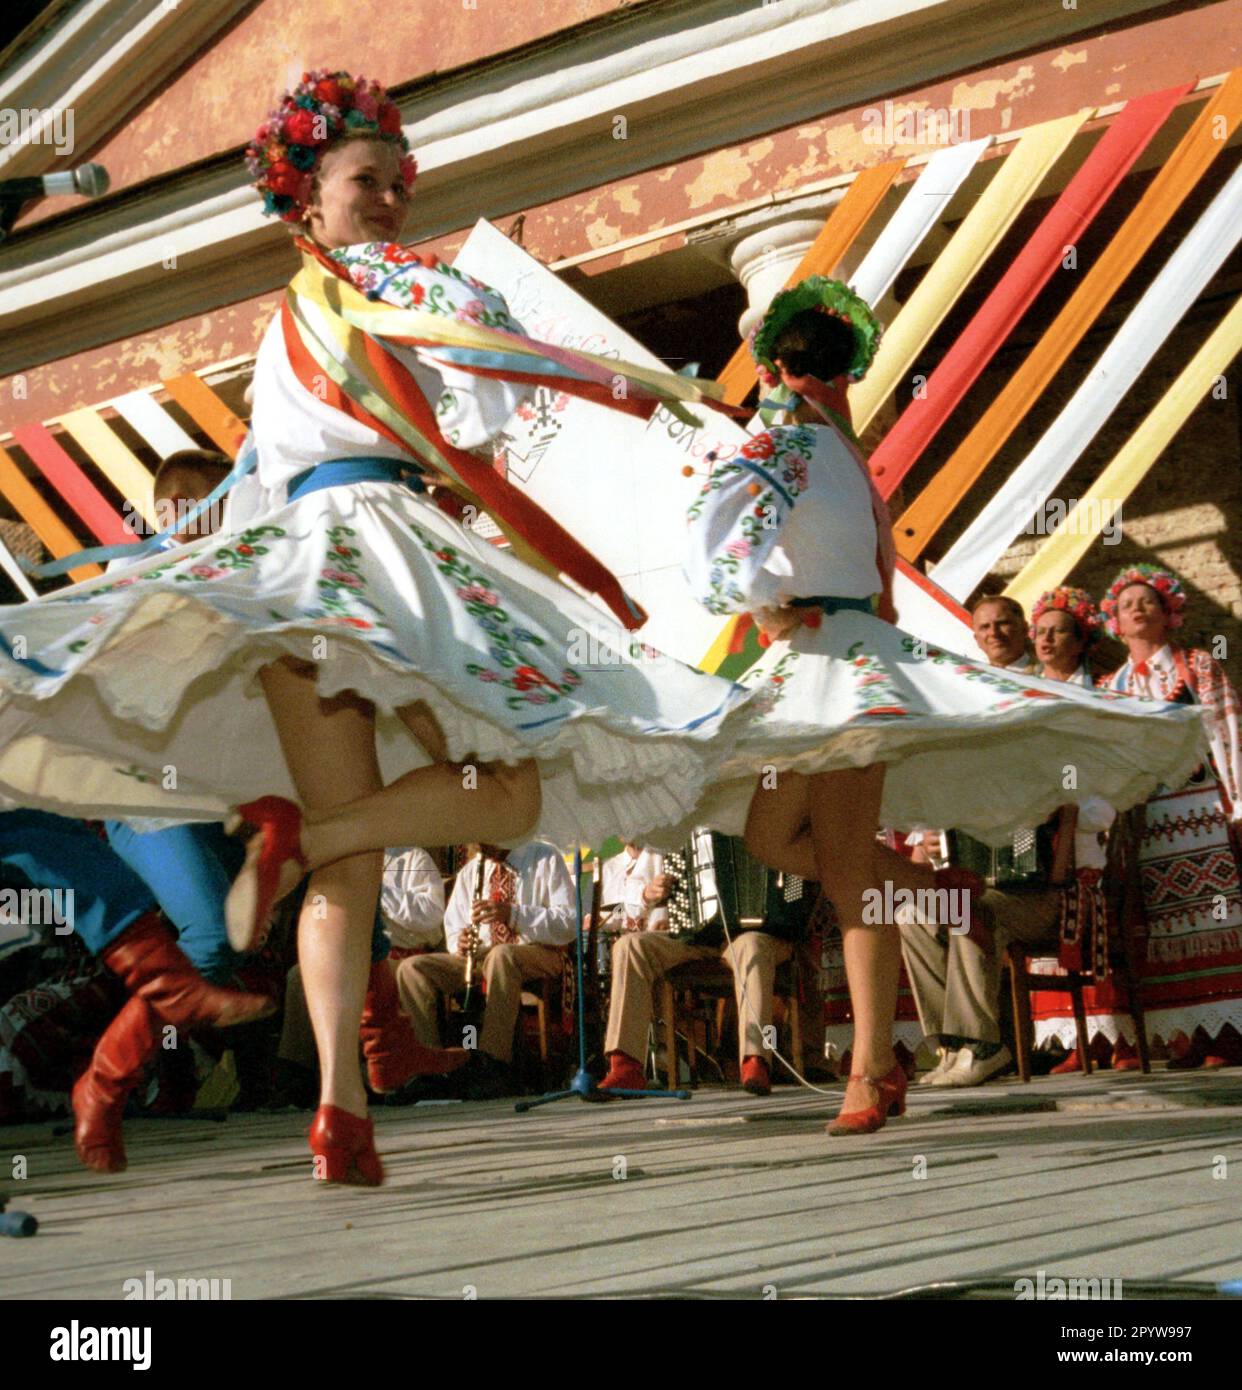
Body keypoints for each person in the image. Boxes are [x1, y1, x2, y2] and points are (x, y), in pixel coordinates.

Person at [0, 70, 758, 1186]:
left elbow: (275, 481)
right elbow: (492, 393)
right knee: (498, 792)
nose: (394, 200)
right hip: (382, 554)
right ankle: (313, 961)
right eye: (371, 181)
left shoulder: (289, 322)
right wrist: (603, 380)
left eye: (401, 183)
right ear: (306, 196)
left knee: (349, 847)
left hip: (307, 573)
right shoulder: (386, 286)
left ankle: (337, 1111)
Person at [679, 277, 1207, 1131]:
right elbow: (804, 549)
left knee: (844, 865)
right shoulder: (825, 451)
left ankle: (870, 1070)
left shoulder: (799, 445)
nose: (832, 384)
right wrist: (774, 604)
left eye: (831, 370)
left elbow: (713, 530)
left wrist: (762, 601)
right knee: (777, 836)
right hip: (823, 660)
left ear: (780, 366)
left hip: (840, 664)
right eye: (836, 368)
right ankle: (933, 890)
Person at [1093, 564, 1242, 1068]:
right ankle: (1186, 1033)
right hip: (1145, 822)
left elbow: (1227, 729)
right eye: (1126, 603)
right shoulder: (1108, 685)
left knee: (1216, 914)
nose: (1137, 608)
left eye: (1148, 601)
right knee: (1164, 926)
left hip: (1200, 810)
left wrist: (1237, 802)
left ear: (1168, 613)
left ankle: (1227, 1034)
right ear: (1114, 619)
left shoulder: (1197, 667)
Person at [393, 841, 576, 1098]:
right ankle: (431, 1068)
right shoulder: (473, 870)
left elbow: (568, 922)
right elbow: (453, 926)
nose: (480, 848)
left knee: (502, 956)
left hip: (540, 952)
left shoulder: (544, 857)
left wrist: (513, 914)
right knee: (413, 968)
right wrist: (460, 941)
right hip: (481, 958)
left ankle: (493, 1064)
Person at [971, 594, 1036, 672]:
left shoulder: (1051, 669)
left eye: (1002, 623)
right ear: (976, 639)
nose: (993, 632)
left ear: (1024, 628)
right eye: (985, 627)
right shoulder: (972, 682)